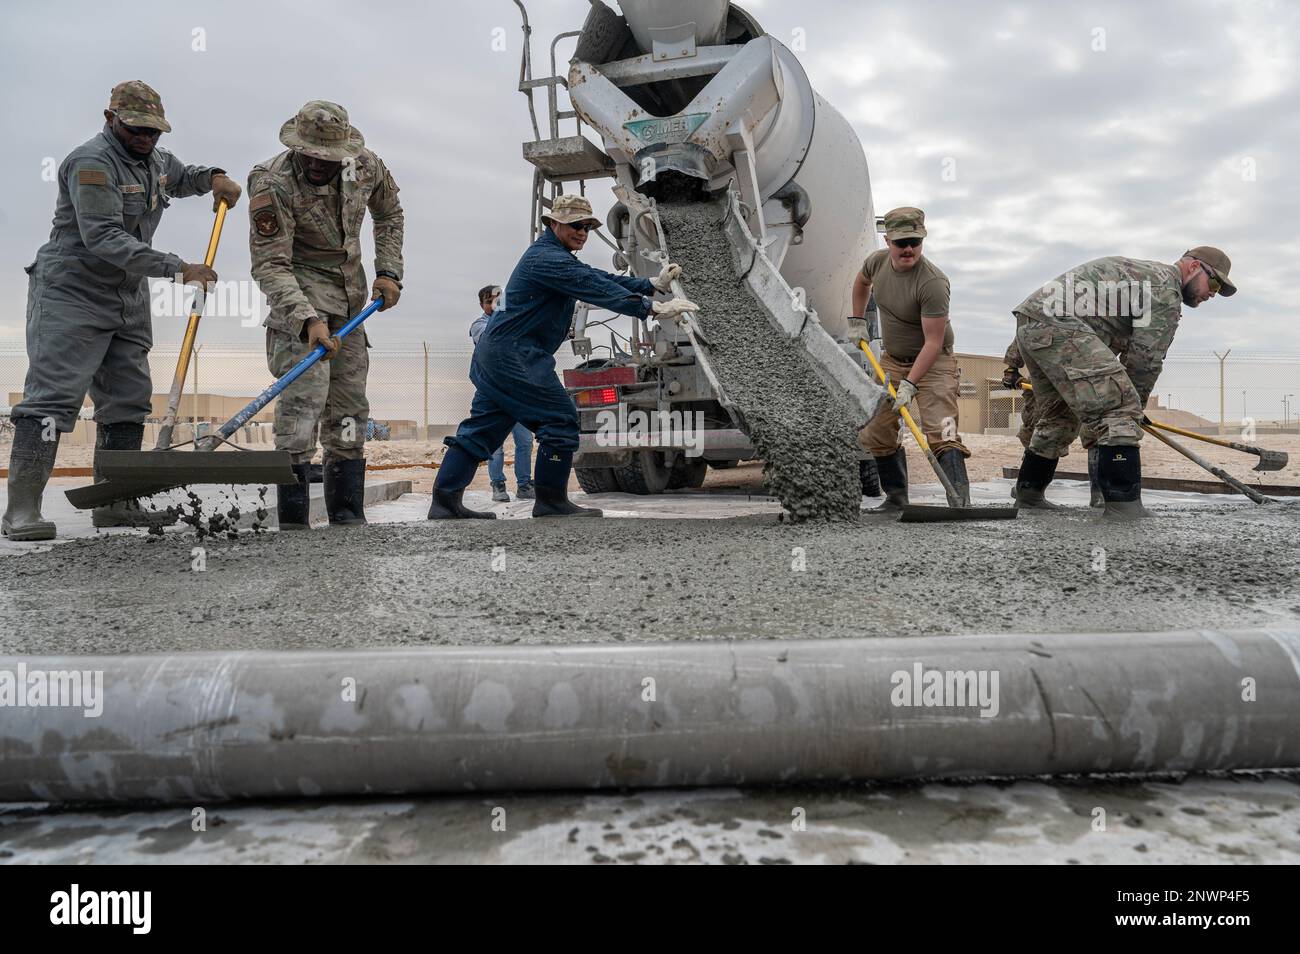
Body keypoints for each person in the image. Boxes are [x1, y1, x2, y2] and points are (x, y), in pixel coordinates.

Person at [2, 81, 240, 542]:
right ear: (111, 118)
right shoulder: (91, 163)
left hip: (127, 294)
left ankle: (115, 504)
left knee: (129, 399)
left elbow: (182, 174)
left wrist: (214, 177)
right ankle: (21, 511)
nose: (146, 139)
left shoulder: (155, 157)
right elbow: (104, 238)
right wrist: (179, 268)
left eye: (154, 132)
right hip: (72, 291)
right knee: (52, 400)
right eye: (136, 130)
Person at [428, 194, 696, 519]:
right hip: (515, 356)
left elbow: (599, 279)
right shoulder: (548, 260)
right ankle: (551, 502)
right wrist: (650, 307)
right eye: (574, 225)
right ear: (553, 224)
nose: (582, 232)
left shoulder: (555, 256)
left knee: (482, 430)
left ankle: (444, 502)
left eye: (587, 226)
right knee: (560, 420)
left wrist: (651, 284)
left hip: (497, 357)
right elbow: (590, 286)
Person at [248, 101, 404, 529]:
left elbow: (389, 213)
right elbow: (270, 264)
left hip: (352, 303)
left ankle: (348, 517)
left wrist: (388, 271)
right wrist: (307, 319)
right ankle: (295, 523)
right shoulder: (272, 182)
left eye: (328, 158)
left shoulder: (366, 167)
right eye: (311, 156)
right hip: (299, 300)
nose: (319, 164)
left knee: (350, 412)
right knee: (301, 409)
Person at [1011, 247, 1236, 518]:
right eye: (1214, 282)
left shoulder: (1143, 279)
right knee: (1119, 409)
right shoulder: (1165, 290)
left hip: (1033, 324)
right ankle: (1124, 505)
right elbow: (1144, 360)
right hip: (1058, 325)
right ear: (1193, 267)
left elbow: (1130, 353)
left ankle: (1029, 495)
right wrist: (1133, 412)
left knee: (1060, 416)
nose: (1212, 293)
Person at [851, 207, 970, 511]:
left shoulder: (932, 282)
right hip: (892, 360)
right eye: (901, 242)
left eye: (915, 242)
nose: (908, 249)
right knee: (876, 428)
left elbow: (933, 343)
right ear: (887, 239)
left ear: (922, 240)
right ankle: (896, 499)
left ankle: (960, 502)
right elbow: (861, 283)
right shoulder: (876, 263)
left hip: (935, 362)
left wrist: (910, 384)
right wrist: (857, 320)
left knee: (941, 429)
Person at [1001, 340, 1100, 506]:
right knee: (1041, 429)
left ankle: (1101, 495)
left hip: (1090, 376)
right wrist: (1012, 368)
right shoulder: (1050, 315)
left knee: (1099, 430)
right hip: (1046, 375)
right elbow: (1028, 328)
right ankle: (1028, 489)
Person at [470, 285, 535, 502]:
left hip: (518, 394)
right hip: (494, 395)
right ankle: (498, 485)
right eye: (489, 301)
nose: (494, 305)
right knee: (495, 445)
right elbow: (496, 341)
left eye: (498, 300)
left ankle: (525, 485)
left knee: (525, 442)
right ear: (482, 305)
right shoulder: (479, 326)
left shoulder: (515, 323)